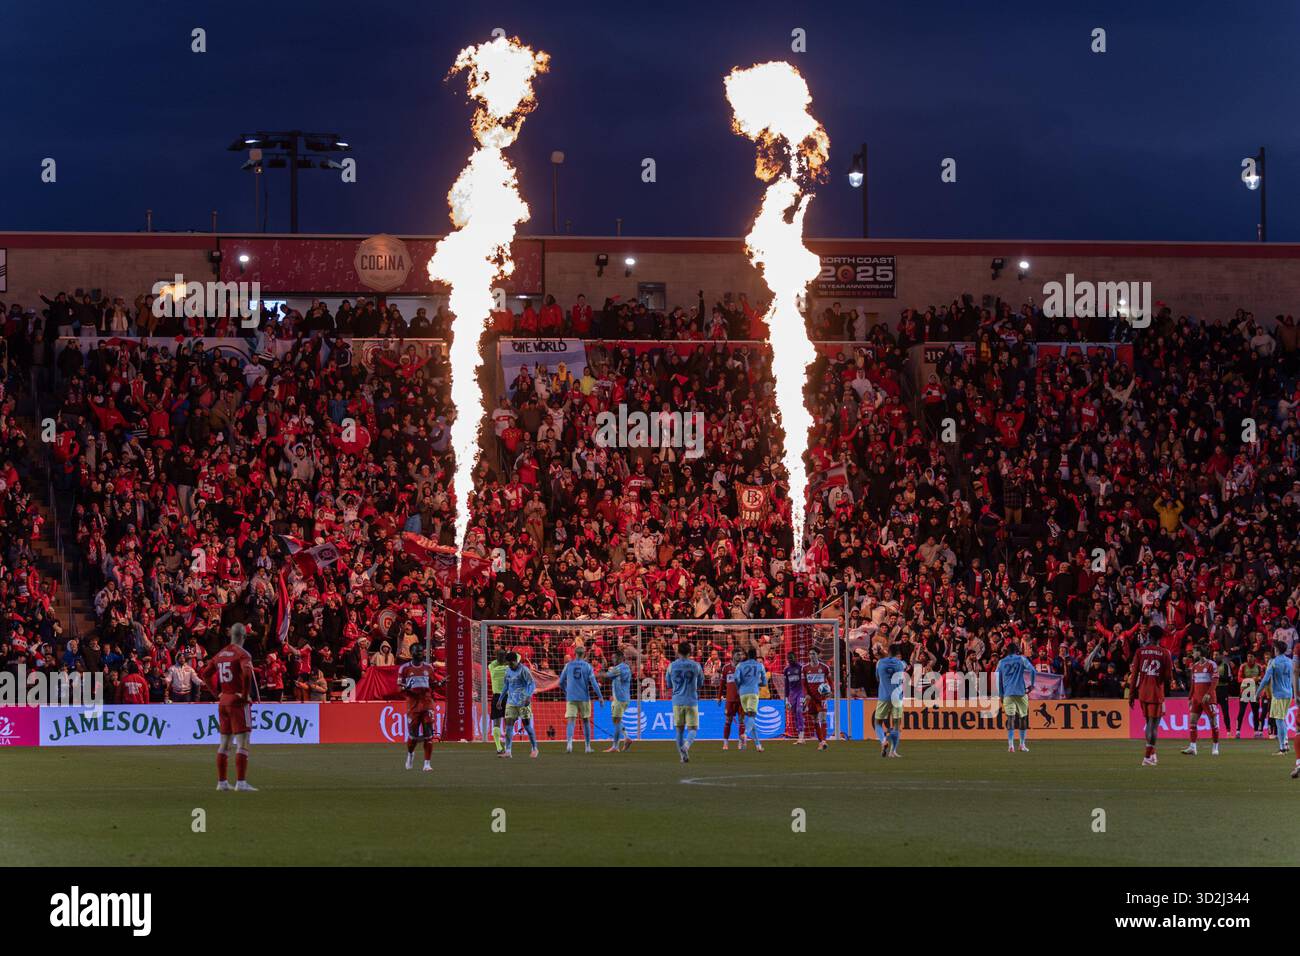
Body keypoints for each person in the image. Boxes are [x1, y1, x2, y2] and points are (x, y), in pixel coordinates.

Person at [199, 623, 257, 792]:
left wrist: (216, 693)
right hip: (237, 701)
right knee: (243, 741)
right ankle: (241, 782)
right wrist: (245, 694)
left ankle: (222, 782)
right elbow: (246, 674)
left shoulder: (221, 654)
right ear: (244, 637)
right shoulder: (243, 654)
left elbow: (205, 674)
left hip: (223, 700)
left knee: (224, 743)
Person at [1130, 627, 1173, 767]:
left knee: (1148, 723)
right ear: (1160, 638)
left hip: (1142, 692)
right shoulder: (1165, 653)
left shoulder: (1140, 652)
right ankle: (1147, 757)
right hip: (1156, 692)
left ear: (1149, 636)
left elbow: (1134, 674)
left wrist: (1131, 695)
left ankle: (1152, 754)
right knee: (1153, 725)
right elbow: (1168, 677)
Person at [397, 643, 439, 772]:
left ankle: (427, 763)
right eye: (418, 652)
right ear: (412, 653)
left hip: (427, 703)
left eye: (421, 652)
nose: (420, 654)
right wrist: (406, 688)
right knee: (413, 736)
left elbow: (433, 684)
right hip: (413, 704)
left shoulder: (429, 667)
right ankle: (410, 754)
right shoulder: (404, 668)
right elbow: (399, 688)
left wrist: (439, 683)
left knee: (428, 733)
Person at [557, 644, 602, 753]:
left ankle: (569, 744)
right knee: (586, 721)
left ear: (574, 653)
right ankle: (587, 747)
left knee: (571, 721)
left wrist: (566, 691)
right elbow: (594, 683)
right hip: (584, 698)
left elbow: (561, 682)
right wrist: (600, 696)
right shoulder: (587, 666)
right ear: (584, 654)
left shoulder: (568, 665)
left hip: (571, 697)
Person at [666, 640, 703, 763]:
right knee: (693, 729)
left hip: (677, 701)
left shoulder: (671, 666)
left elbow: (668, 684)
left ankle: (683, 757)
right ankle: (686, 746)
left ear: (678, 652)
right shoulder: (696, 665)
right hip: (691, 700)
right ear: (690, 652)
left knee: (679, 730)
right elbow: (701, 683)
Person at [996, 642, 1037, 753]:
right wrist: (1032, 685)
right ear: (1017, 650)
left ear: (1007, 651)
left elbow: (997, 678)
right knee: (1023, 717)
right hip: (1020, 692)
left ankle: (1010, 745)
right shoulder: (1021, 659)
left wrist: (1000, 694)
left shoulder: (1001, 662)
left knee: (1010, 718)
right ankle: (1022, 744)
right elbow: (1033, 670)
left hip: (1008, 693)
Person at [1181, 645, 1220, 757]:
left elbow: (1215, 680)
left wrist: (1208, 693)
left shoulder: (1211, 664)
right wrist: (1190, 697)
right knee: (1192, 722)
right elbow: (1193, 684)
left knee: (1213, 722)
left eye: (1194, 652)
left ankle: (1215, 747)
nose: (1192, 654)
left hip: (1209, 698)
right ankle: (1193, 747)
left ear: (1199, 652)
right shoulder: (1194, 666)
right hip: (1197, 699)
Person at [1258, 640, 1293, 757]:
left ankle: (1282, 748)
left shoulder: (1273, 662)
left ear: (1276, 649)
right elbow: (1295, 677)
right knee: (1281, 719)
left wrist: (1257, 692)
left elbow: (1266, 679)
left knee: (1279, 720)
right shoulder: (1290, 661)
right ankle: (1286, 742)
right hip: (1288, 694)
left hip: (1278, 695)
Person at [501, 652, 539, 759]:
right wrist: (500, 699)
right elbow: (506, 685)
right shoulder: (508, 670)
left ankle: (534, 748)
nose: (509, 666)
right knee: (508, 726)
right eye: (508, 664)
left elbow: (532, 684)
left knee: (527, 726)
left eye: (510, 663)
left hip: (523, 701)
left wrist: (528, 696)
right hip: (511, 702)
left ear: (515, 661)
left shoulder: (524, 670)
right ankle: (508, 751)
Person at [874, 643, 907, 758]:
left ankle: (883, 741)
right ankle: (893, 752)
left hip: (884, 696)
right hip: (897, 697)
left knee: (878, 722)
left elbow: (877, 678)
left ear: (888, 651)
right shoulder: (901, 664)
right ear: (898, 654)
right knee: (896, 725)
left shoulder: (880, 663)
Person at [733, 647, 767, 753]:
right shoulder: (760, 665)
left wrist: (739, 687)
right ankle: (745, 734)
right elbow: (765, 683)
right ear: (756, 655)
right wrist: (757, 683)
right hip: (753, 692)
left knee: (750, 719)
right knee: (752, 717)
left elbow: (736, 678)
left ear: (747, 655)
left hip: (743, 693)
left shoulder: (740, 665)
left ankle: (758, 745)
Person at [801, 648, 832, 751]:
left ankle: (824, 742)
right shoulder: (805, 668)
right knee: (815, 720)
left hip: (822, 697)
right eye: (810, 654)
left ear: (818, 655)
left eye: (813, 654)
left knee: (823, 718)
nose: (811, 656)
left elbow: (830, 682)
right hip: (811, 698)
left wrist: (831, 691)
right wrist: (806, 695)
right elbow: (804, 684)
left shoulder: (824, 668)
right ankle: (821, 742)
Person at [603, 648, 633, 753]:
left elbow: (606, 676)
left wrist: (592, 675)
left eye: (614, 658)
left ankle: (615, 746)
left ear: (620, 658)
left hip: (620, 699)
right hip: (623, 698)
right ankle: (627, 737)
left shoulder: (619, 668)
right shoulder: (625, 668)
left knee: (616, 721)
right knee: (617, 721)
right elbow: (616, 680)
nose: (612, 659)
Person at [720, 648, 746, 750]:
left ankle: (740, 742)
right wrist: (719, 697)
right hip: (730, 699)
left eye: (741, 655)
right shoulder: (726, 668)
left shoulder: (744, 667)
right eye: (738, 655)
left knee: (741, 720)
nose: (740, 657)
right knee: (728, 721)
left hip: (741, 699)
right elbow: (722, 684)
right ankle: (725, 743)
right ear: (733, 655)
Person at [487, 649, 509, 754]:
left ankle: (498, 747)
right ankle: (508, 747)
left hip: (496, 697)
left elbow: (494, 663)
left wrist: (499, 658)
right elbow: (518, 658)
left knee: (496, 722)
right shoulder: (508, 668)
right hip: (507, 697)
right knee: (508, 721)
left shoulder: (492, 668)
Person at [783, 652, 805, 743]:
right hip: (792, 694)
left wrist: (805, 695)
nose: (790, 659)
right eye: (789, 658)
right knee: (795, 714)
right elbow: (786, 685)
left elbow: (804, 683)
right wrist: (786, 699)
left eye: (792, 657)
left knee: (799, 711)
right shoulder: (786, 670)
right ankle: (800, 736)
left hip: (801, 692)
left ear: (795, 658)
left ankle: (801, 736)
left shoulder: (801, 668)